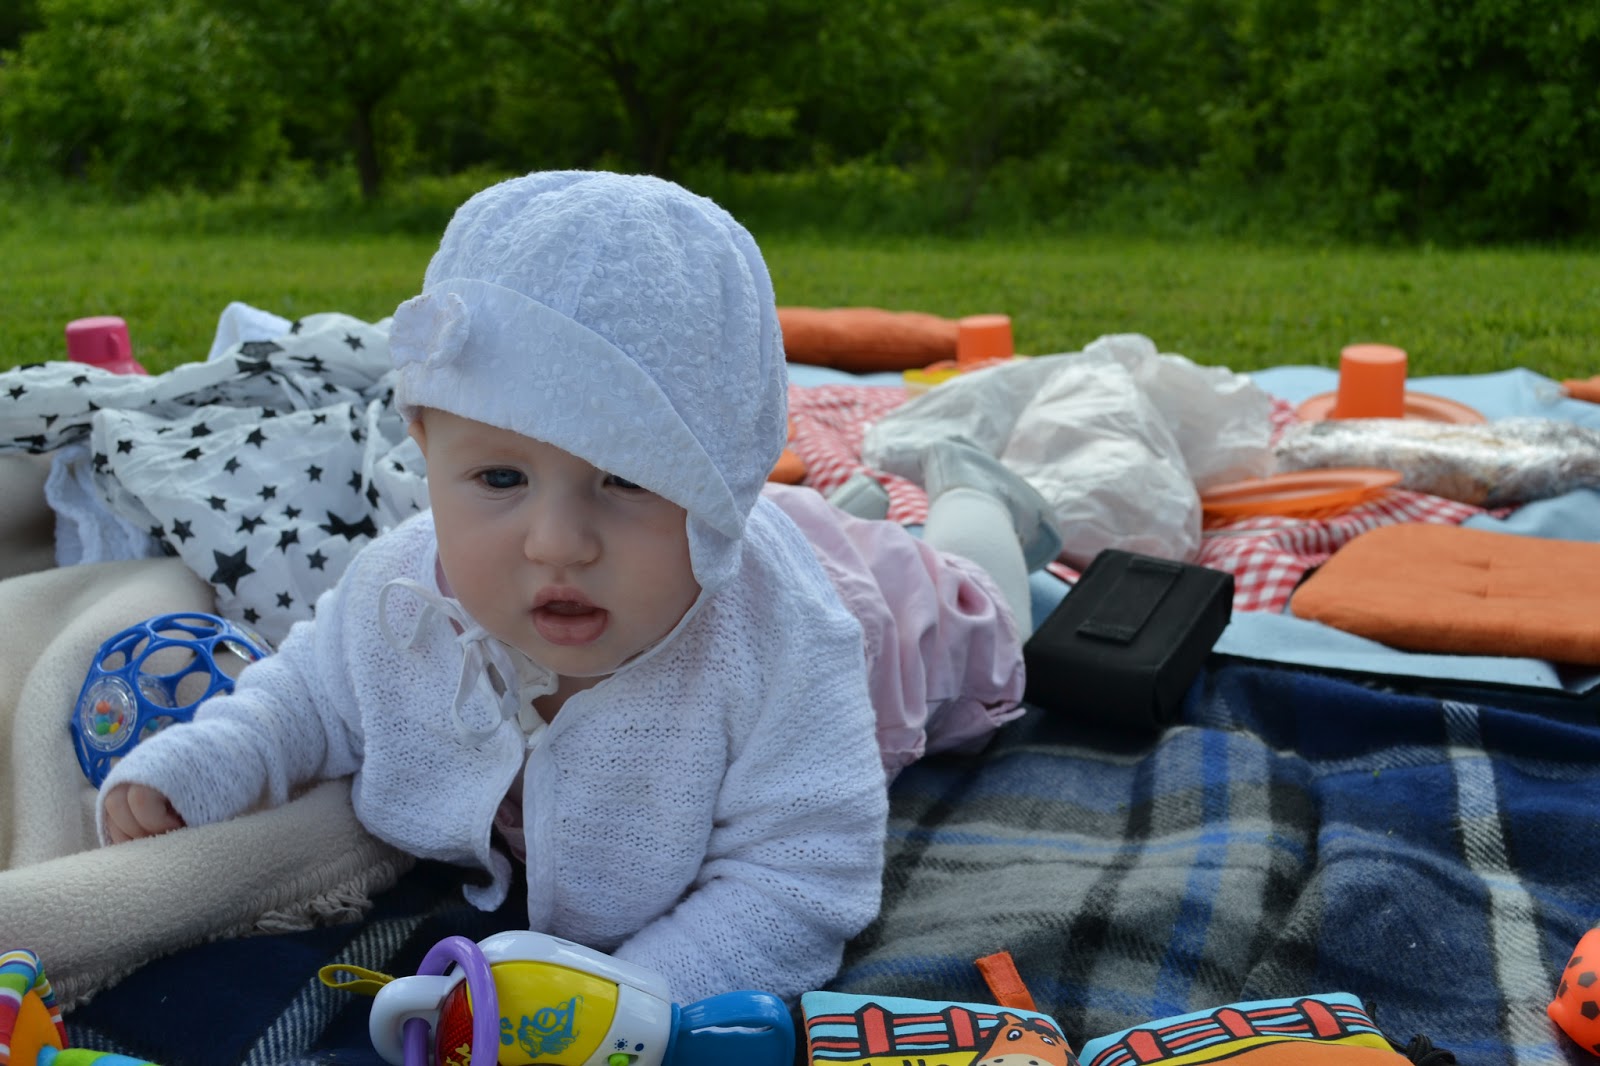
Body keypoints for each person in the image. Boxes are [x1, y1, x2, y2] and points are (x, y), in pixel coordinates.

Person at [95, 170, 1060, 1004]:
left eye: (626, 479)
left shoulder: (783, 643)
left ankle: (971, 491)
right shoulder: (400, 590)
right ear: (426, 448)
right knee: (835, 522)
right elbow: (305, 696)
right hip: (760, 531)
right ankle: (834, 504)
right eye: (500, 480)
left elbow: (795, 887)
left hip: (887, 623)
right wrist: (207, 766)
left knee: (989, 604)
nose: (556, 544)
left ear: (717, 481)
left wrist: (629, 996)